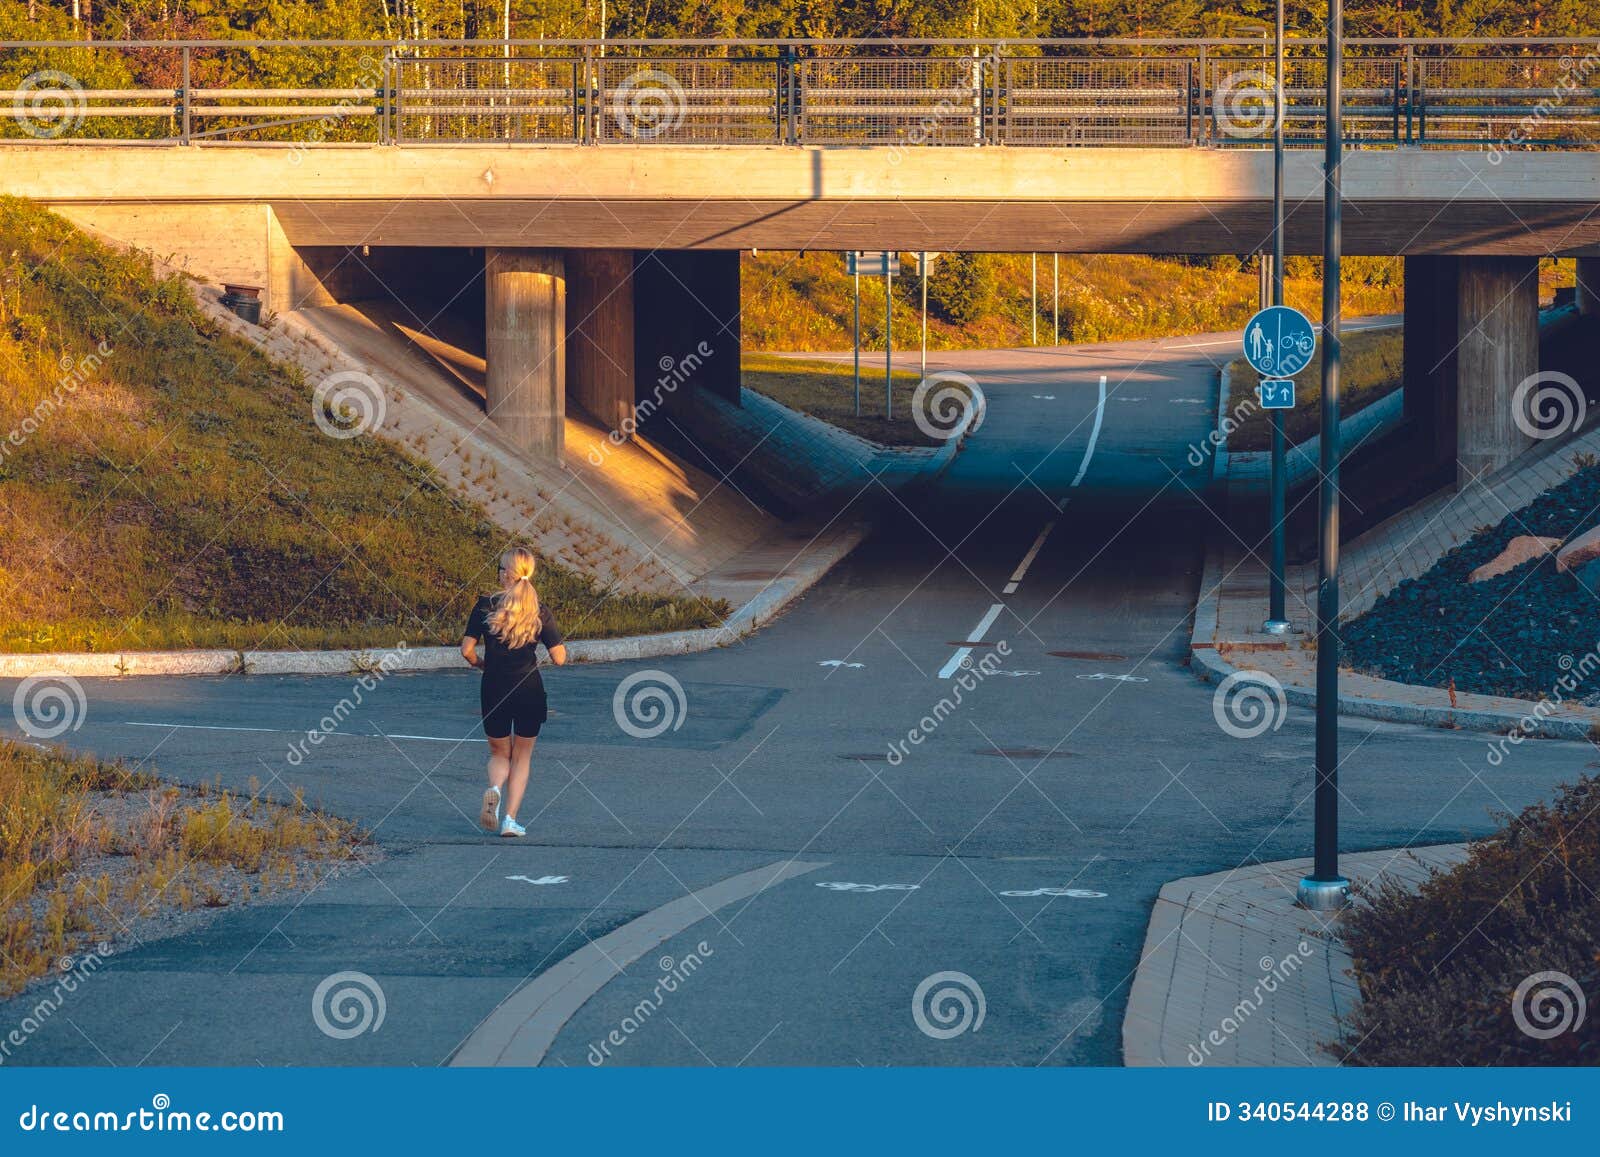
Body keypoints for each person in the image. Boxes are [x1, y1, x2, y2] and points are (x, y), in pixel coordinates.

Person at [461, 546, 567, 837]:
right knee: (522, 756)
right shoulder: (539, 611)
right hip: (529, 690)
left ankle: (494, 789)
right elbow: (559, 657)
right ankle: (510, 820)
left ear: (505, 574)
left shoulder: (485, 605)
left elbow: (466, 650)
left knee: (499, 753)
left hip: (494, 687)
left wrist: (481, 663)